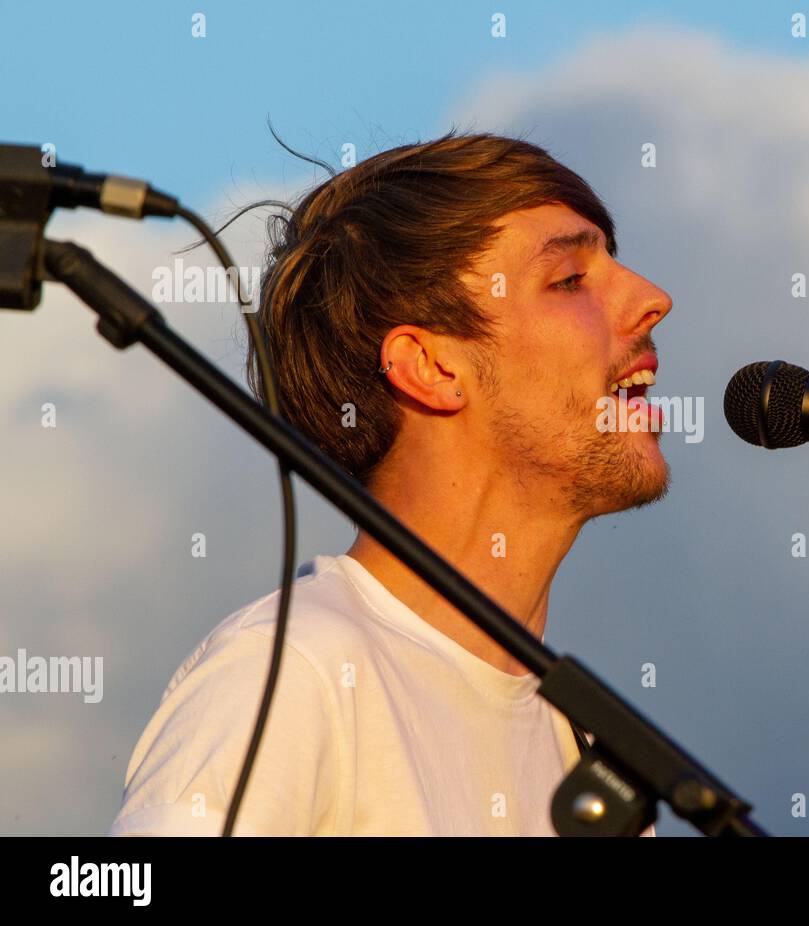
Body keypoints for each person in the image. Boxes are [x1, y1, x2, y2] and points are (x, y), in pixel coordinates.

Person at [110, 131, 672, 835]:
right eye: (568, 280)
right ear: (431, 368)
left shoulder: (585, 753)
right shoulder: (291, 672)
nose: (654, 299)